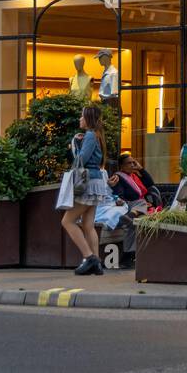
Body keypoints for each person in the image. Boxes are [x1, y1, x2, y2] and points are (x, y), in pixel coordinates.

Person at [63, 104, 110, 275]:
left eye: (82, 116)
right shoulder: (96, 135)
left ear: (88, 119)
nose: (79, 119)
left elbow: (81, 159)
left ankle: (89, 257)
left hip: (87, 182)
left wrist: (74, 145)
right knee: (88, 225)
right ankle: (96, 263)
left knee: (67, 221)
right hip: (96, 181)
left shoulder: (90, 135)